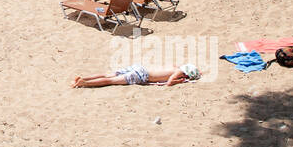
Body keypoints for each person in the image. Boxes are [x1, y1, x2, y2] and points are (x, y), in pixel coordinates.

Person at [72, 64, 201, 88]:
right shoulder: (179, 73)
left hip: (140, 67)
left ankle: (84, 77)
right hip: (142, 75)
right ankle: (84, 83)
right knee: (111, 80)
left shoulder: (176, 67)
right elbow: (169, 82)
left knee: (108, 74)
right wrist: (180, 81)